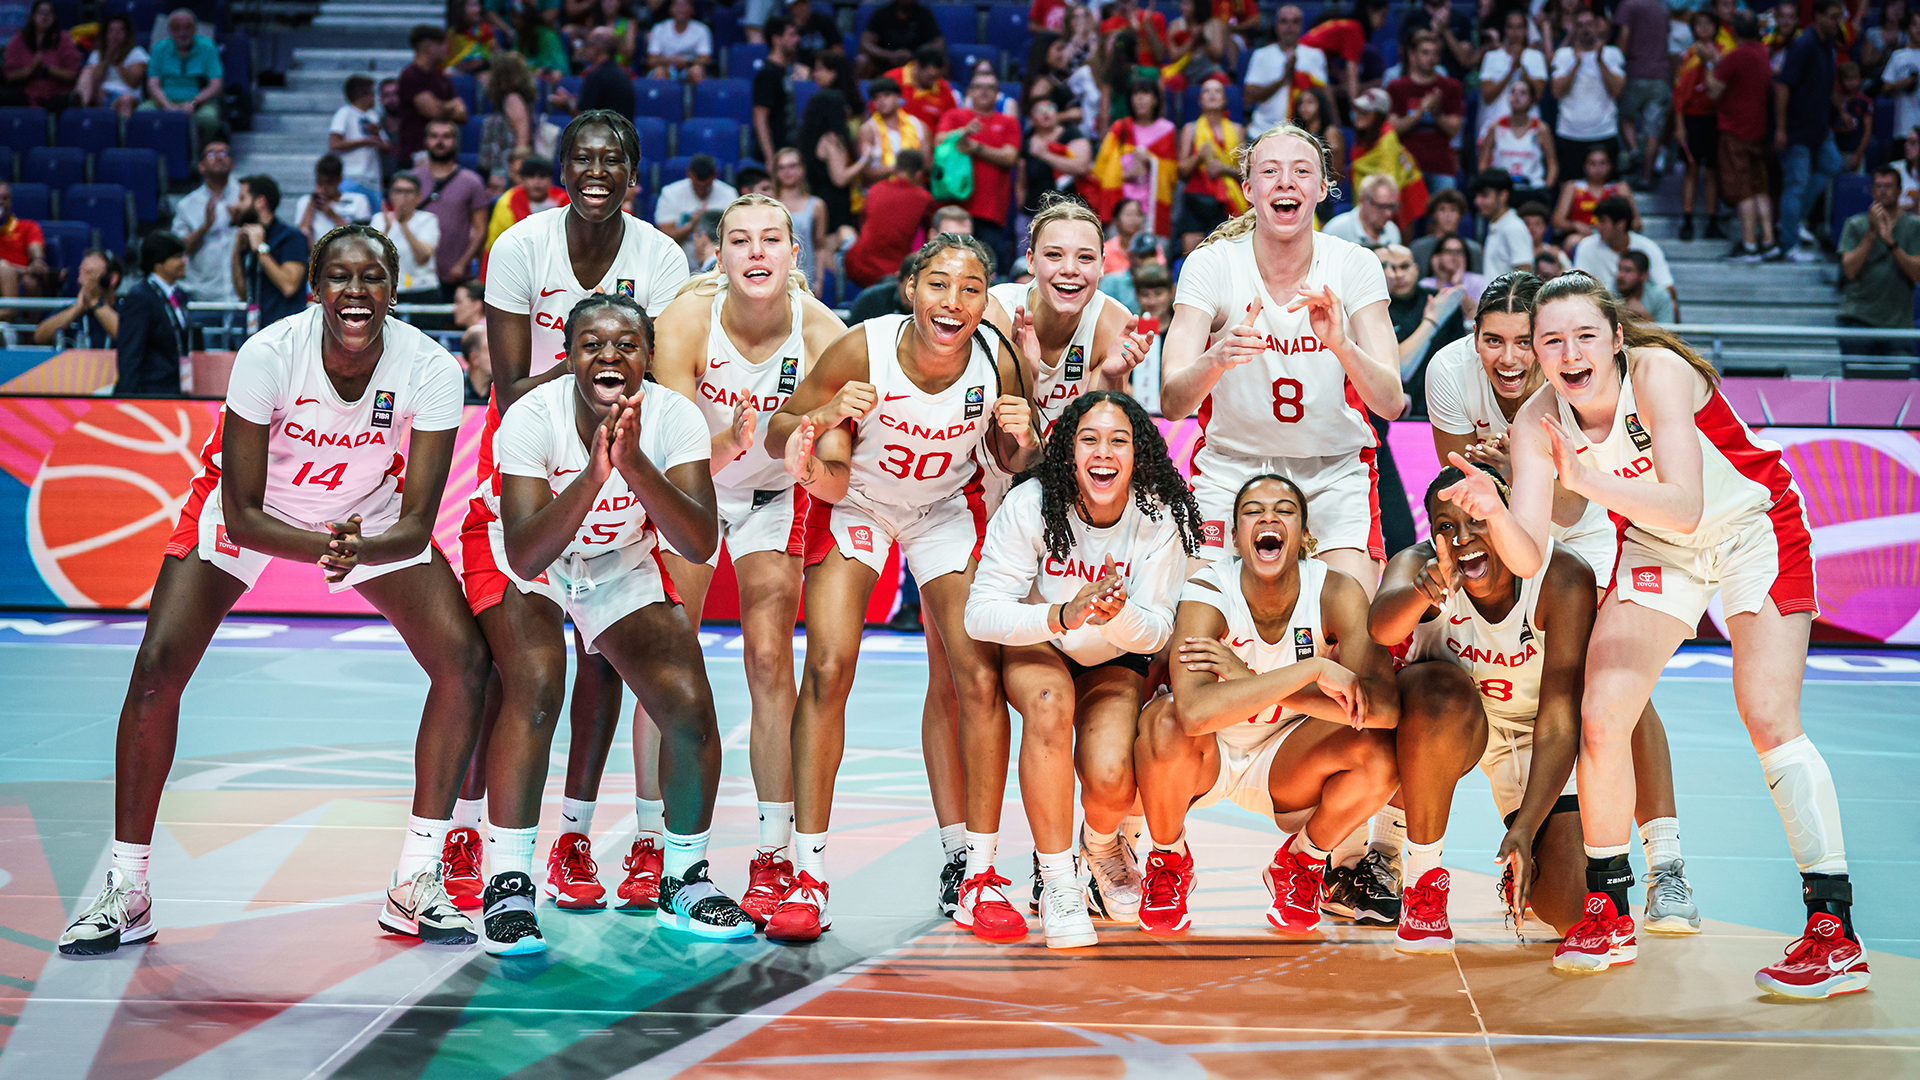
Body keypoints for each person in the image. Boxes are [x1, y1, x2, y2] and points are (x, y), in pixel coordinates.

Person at [59, 224, 489, 957]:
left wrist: (361, 546)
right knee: (157, 671)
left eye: (373, 277)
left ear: (394, 289)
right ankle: (127, 888)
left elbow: (417, 523)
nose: (357, 291)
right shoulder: (270, 353)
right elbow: (245, 512)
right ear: (316, 288)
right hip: (255, 507)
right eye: (340, 278)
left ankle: (414, 879)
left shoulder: (431, 367)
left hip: (371, 516)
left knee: (466, 664)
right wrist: (335, 549)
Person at [1442, 271, 1862, 997]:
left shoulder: (1660, 373)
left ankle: (1833, 929)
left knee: (1768, 717)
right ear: (1538, 354)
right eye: (1552, 341)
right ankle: (1609, 908)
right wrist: (1494, 511)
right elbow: (1531, 556)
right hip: (1658, 548)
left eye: (1583, 336)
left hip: (1751, 534)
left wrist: (1585, 477)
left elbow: (1689, 506)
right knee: (1602, 718)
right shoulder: (1538, 419)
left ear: (1614, 339)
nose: (1568, 352)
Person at [759, 233, 1042, 944]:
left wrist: (1022, 435)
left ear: (986, 300)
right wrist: (823, 416)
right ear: (911, 288)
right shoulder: (864, 347)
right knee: (828, 668)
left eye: (972, 288)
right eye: (940, 285)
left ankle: (976, 872)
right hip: (856, 503)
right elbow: (776, 432)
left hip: (944, 511)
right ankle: (809, 875)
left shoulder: (997, 358)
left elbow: (1015, 457)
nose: (954, 301)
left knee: (976, 677)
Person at [448, 110, 690, 918]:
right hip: (531, 446)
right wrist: (591, 384)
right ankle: (467, 832)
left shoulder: (660, 255)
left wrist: (612, 405)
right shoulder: (521, 246)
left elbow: (657, 375)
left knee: (608, 657)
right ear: (562, 169)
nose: (596, 170)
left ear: (633, 174)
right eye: (581, 158)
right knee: (515, 667)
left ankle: (575, 837)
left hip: (625, 454)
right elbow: (506, 383)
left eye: (611, 158)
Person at [1422, 273, 1699, 935]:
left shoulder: (1573, 381)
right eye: (1495, 341)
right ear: (1476, 341)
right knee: (1432, 656)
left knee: (1618, 677)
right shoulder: (1449, 374)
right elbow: (1450, 487)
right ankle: (1405, 849)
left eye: (1526, 341)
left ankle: (1666, 862)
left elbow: (1573, 503)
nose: (1511, 357)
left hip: (1585, 515)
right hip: (1498, 525)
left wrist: (1527, 472)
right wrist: (1511, 482)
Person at [474, 291, 749, 952]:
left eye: (626, 344)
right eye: (593, 343)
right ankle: (508, 881)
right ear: (569, 358)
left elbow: (697, 541)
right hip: (522, 555)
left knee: (687, 703)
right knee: (538, 685)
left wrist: (634, 467)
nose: (610, 354)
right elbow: (526, 549)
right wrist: (594, 476)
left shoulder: (675, 418)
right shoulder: (532, 417)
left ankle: (684, 881)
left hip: (618, 555)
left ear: (647, 359)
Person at [644, 192, 847, 928]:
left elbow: (832, 460)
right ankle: (649, 840)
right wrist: (728, 444)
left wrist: (804, 458)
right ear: (719, 256)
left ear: (797, 257)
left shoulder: (824, 333)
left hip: (771, 495)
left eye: (772, 240)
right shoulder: (687, 319)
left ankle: (773, 853)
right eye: (740, 240)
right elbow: (669, 442)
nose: (756, 252)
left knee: (770, 660)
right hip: (692, 485)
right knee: (664, 653)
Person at [965, 391, 1201, 947]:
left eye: (1118, 440)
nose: (1103, 452)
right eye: (1088, 439)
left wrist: (1116, 618)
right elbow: (980, 613)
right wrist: (1061, 614)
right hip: (1043, 643)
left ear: (1138, 454)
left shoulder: (1157, 516)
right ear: (1068, 451)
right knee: (1048, 707)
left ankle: (1098, 846)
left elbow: (1159, 630)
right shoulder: (1031, 503)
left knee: (1113, 781)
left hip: (1114, 656)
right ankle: (1057, 883)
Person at [1131, 473, 1400, 935]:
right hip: (1205, 754)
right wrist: (1312, 671)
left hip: (1286, 756)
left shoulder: (1335, 592)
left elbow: (1383, 710)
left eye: (1284, 510)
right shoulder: (1209, 590)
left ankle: (1303, 862)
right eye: (1253, 511)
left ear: (1304, 535)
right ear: (1236, 537)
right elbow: (1195, 714)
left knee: (1380, 752)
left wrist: (1250, 679)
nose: (1268, 517)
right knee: (1164, 722)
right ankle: (1168, 859)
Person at [1159, 124, 1405, 594]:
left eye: (1301, 171)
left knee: (1350, 624)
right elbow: (1172, 401)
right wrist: (1217, 357)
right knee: (1193, 620)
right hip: (1233, 466)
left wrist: (1342, 345)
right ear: (1249, 189)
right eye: (1270, 171)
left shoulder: (1354, 264)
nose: (1286, 182)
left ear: (1321, 188)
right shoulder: (1211, 264)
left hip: (1331, 470)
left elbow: (1391, 402)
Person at [1368, 462, 1593, 950]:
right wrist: (1419, 596)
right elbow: (1382, 629)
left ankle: (1533, 858)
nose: (1463, 538)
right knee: (1435, 692)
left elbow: (1558, 724)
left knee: (1568, 908)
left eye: (1478, 520)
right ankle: (1422, 881)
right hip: (1451, 725)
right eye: (1446, 527)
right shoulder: (1420, 565)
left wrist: (1527, 828)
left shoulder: (1562, 575)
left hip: (1535, 734)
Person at [987, 196, 1151, 439]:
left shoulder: (1113, 320)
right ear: (1031, 261)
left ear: (1102, 266)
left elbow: (1098, 435)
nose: (1070, 269)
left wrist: (1111, 375)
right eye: (1054, 255)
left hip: (1059, 466)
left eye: (1085, 258)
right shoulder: (994, 313)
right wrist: (1024, 375)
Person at [1772, 0, 1842, 263]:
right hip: (1796, 129)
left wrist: (1841, 111)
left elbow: (1828, 81)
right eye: (1833, 17)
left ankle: (1795, 217)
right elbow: (1782, 87)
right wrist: (1780, 129)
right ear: (1818, 16)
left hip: (1820, 127)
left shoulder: (1828, 43)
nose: (1837, 23)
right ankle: (1788, 245)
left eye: (1840, 17)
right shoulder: (1803, 45)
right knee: (1796, 185)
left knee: (1832, 164)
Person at [1709, 12, 1777, 261]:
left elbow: (1714, 92)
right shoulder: (1762, 53)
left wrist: (1709, 64)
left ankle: (1749, 245)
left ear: (1734, 32)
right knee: (1760, 186)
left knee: (1743, 189)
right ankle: (1768, 242)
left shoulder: (1735, 56)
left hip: (1735, 131)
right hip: (1759, 131)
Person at [936, 72, 1022, 266]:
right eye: (978, 86)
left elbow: (1010, 157)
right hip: (954, 206)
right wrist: (963, 132)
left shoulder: (1008, 122)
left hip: (990, 211)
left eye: (990, 87)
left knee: (985, 266)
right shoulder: (954, 116)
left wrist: (976, 147)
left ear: (998, 94)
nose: (984, 91)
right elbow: (939, 142)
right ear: (969, 92)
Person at [1837, 166, 1920, 357]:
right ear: (1872, 190)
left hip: (1898, 325)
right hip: (1857, 319)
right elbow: (1849, 271)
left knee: (1898, 385)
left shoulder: (1914, 226)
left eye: (1889, 186)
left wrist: (1891, 244)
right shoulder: (1855, 225)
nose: (1883, 190)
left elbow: (1917, 275)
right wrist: (1872, 234)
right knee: (1857, 384)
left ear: (1900, 191)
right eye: (1878, 186)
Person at [1087, 78, 1178, 238]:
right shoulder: (1119, 128)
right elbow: (1101, 171)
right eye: (1136, 94)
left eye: (1146, 94)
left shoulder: (1167, 130)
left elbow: (1171, 174)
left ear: (1156, 99)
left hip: (1151, 209)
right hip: (1120, 206)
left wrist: (1150, 162)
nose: (1140, 99)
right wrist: (1130, 173)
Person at [411, 119, 489, 298]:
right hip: (417, 274)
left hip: (456, 273)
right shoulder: (412, 180)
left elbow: (480, 230)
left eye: (446, 136)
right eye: (434, 136)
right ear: (425, 141)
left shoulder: (472, 182)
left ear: (455, 141)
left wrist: (463, 263)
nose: (440, 141)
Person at [1549, 10, 1626, 181]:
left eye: (1589, 25)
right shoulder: (1563, 55)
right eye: (1580, 25)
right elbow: (1556, 92)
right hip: (1570, 133)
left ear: (1597, 26)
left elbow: (1617, 91)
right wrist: (1575, 65)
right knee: (1570, 188)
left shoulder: (1612, 54)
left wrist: (1600, 61)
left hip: (1603, 132)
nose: (1585, 29)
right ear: (1574, 29)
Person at [1573, 196, 1678, 319]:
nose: (1597, 226)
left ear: (1620, 224)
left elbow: (1669, 289)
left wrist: (1642, 308)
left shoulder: (1648, 247)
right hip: (1600, 308)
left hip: (1641, 305)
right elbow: (1577, 288)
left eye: (1602, 221)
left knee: (1672, 305)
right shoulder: (1586, 246)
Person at [231, 175, 311, 330]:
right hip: (254, 331)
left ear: (260, 202)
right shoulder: (249, 238)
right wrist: (236, 250)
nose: (236, 205)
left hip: (285, 334)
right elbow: (243, 293)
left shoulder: (291, 237)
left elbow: (289, 286)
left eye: (242, 198)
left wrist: (261, 249)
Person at [112, 234, 188, 396]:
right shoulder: (141, 298)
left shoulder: (178, 295)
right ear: (158, 263)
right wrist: (126, 401)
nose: (184, 261)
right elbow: (130, 352)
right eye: (177, 257)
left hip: (173, 390)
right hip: (149, 393)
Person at [1388, 31, 1464, 190]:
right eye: (1425, 53)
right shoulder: (1396, 87)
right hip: (1407, 166)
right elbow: (1393, 129)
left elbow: (1454, 129)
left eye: (1435, 54)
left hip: (1441, 165)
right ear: (1412, 55)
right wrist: (1420, 111)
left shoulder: (1451, 87)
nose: (1431, 58)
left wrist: (1436, 113)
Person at [845, 149, 932, 289]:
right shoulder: (923, 198)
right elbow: (930, 235)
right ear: (919, 174)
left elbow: (863, 224)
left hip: (857, 266)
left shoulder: (874, 190)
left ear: (895, 169)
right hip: (892, 273)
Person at [1673, 9, 1725, 243]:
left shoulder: (1723, 54)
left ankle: (1713, 221)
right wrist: (1679, 125)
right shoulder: (1688, 55)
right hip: (1692, 119)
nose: (1703, 28)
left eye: (1708, 24)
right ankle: (1687, 220)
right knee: (1691, 170)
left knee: (1713, 172)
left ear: (1716, 27)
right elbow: (1678, 94)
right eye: (1698, 24)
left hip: (1716, 119)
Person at [1382, 242, 1458, 389]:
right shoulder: (1379, 309)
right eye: (1391, 268)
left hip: (1441, 392)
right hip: (1399, 396)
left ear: (1416, 269)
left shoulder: (1441, 301)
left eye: (1404, 266)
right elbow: (1398, 366)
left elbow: (1459, 357)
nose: (1398, 275)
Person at [1244, 6, 1330, 137]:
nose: (1289, 26)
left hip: (1304, 135)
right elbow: (1249, 97)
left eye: (1295, 21)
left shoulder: (1315, 55)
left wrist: (1334, 124)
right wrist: (1284, 78)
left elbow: (1324, 96)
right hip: (1264, 132)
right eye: (1284, 21)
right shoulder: (1261, 55)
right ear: (1276, 25)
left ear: (1302, 25)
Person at [1614, 0, 1673, 189]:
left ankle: (1633, 152)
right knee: (1653, 131)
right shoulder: (1662, 7)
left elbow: (1624, 35)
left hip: (1635, 72)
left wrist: (1617, 62)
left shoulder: (1628, 5)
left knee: (1624, 117)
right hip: (1660, 75)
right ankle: (1647, 176)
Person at [173, 142, 239, 306]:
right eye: (211, 154)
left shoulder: (245, 196)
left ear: (232, 163)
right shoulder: (187, 205)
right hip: (202, 295)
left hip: (240, 294)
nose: (218, 157)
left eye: (224, 153)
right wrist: (205, 227)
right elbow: (178, 250)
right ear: (201, 166)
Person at [143, 8, 223, 145]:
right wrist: (167, 105)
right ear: (170, 30)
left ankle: (199, 156)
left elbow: (216, 85)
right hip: (163, 101)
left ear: (195, 29)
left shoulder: (208, 47)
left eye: (187, 28)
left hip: (198, 103)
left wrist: (194, 102)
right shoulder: (159, 49)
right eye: (177, 28)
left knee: (209, 119)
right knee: (142, 114)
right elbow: (153, 84)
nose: (182, 33)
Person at [395, 26, 466, 168]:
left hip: (445, 156)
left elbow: (462, 115)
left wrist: (443, 107)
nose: (446, 49)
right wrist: (451, 105)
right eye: (441, 44)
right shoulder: (411, 76)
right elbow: (432, 111)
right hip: (416, 155)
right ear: (428, 46)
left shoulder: (442, 78)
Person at [482, 156, 567, 275]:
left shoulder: (565, 202)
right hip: (517, 269)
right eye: (531, 176)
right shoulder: (507, 202)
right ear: (522, 179)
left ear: (551, 179)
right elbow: (494, 244)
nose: (537, 182)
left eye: (542, 176)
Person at [656, 155, 739, 271]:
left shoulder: (729, 194)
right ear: (689, 174)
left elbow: (736, 236)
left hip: (718, 264)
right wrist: (691, 225)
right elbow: (665, 239)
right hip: (680, 264)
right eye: (697, 185)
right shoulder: (671, 193)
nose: (701, 189)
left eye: (705, 186)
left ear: (714, 175)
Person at [1475, 9, 1545, 143]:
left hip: (1528, 128)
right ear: (1505, 30)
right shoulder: (1491, 57)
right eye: (1511, 27)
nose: (1515, 32)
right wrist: (1511, 71)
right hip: (1495, 124)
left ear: (1526, 30)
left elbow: (1537, 95)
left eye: (1519, 27)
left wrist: (1521, 70)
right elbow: (1487, 96)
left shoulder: (1536, 57)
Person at [1553, 147, 1639, 253]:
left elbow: (1636, 222)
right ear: (1584, 166)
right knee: (1572, 241)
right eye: (1592, 163)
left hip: (1614, 237)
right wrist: (1575, 225)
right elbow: (1557, 221)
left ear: (1610, 166)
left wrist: (1614, 229)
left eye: (1602, 163)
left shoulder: (1621, 188)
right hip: (1582, 236)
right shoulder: (1573, 186)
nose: (1598, 168)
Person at [378, 172, 442, 307]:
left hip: (422, 290)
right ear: (391, 195)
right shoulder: (380, 220)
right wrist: (386, 230)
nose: (403, 197)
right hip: (389, 291)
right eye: (398, 191)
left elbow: (423, 258)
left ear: (418, 197)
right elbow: (372, 258)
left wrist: (403, 225)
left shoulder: (428, 220)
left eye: (408, 192)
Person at [1479, 80, 1555, 194]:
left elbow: (1552, 163)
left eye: (1523, 93)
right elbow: (1483, 161)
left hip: (1533, 189)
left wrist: (1545, 188)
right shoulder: (1495, 127)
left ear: (1532, 99)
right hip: (1502, 191)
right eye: (1513, 92)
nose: (1517, 96)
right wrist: (1488, 185)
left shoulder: (1541, 129)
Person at [3, 0, 82, 109]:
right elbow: (9, 76)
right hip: (26, 94)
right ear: (33, 16)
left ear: (54, 17)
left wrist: (47, 69)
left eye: (49, 13)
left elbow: (73, 74)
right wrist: (32, 69)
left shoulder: (64, 40)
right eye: (41, 13)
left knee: (67, 100)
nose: (44, 17)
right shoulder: (19, 40)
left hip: (55, 94)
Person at [770, 148, 829, 293]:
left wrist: (819, 280)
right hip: (773, 276)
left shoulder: (816, 205)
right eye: (781, 167)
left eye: (792, 166)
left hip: (805, 277)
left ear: (802, 169)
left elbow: (820, 247)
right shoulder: (768, 204)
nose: (787, 171)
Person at [37, 248, 119, 347]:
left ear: (112, 279)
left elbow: (125, 335)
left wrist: (95, 303)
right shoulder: (71, 310)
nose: (80, 281)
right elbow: (39, 337)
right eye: (81, 273)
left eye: (89, 273)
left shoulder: (126, 308)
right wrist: (76, 309)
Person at [859, 75, 930, 184]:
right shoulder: (868, 130)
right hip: (881, 191)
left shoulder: (919, 125)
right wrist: (898, 168)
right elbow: (865, 172)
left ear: (898, 97)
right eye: (876, 97)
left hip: (913, 189)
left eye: (886, 95)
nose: (881, 101)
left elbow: (927, 164)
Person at [477, 51, 539, 175]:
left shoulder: (513, 99)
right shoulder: (510, 99)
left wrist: (516, 167)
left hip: (506, 167)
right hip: (500, 164)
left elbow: (522, 137)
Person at [330, 75, 389, 203]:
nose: (375, 97)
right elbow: (334, 144)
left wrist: (376, 134)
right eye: (372, 93)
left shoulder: (373, 116)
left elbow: (386, 147)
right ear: (363, 95)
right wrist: (365, 141)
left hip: (373, 179)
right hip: (351, 175)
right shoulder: (345, 113)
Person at [752, 15, 800, 166]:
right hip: (775, 154)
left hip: (786, 150)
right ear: (776, 39)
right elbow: (760, 117)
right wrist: (770, 157)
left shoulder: (785, 70)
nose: (797, 39)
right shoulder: (768, 73)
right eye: (791, 35)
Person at [77, 13, 147, 117]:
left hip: (125, 96)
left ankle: (123, 132)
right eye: (111, 31)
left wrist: (118, 62)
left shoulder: (137, 53)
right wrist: (107, 60)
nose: (115, 35)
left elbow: (133, 82)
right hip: (101, 95)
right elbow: (94, 79)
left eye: (120, 31)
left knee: (125, 101)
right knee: (88, 71)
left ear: (127, 33)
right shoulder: (97, 54)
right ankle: (79, 107)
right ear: (105, 34)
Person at [295, 155, 374, 242]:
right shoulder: (305, 201)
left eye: (329, 183)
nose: (324, 187)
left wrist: (332, 215)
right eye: (320, 182)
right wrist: (311, 206)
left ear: (339, 179)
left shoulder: (358, 201)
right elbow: (301, 237)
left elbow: (361, 239)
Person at [859, 0, 944, 79]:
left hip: (918, 64)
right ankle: (860, 93)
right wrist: (891, 55)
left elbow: (938, 44)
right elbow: (865, 44)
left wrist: (916, 56)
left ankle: (943, 93)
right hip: (884, 61)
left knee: (942, 64)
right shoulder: (881, 13)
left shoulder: (925, 14)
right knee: (863, 61)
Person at [1408, 189, 1481, 276]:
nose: (1448, 215)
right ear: (1434, 214)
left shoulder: (1473, 249)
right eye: (1442, 210)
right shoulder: (1419, 248)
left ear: (1461, 215)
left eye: (1453, 210)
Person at [1475, 170, 1534, 275]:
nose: (1477, 201)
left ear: (1503, 195)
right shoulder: (1495, 225)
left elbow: (1524, 274)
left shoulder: (1513, 227)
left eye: (1485, 195)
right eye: (1477, 196)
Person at [0, 182, 47, 310]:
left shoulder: (28, 226)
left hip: (17, 277)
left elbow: (36, 249)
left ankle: (27, 327)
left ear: (11, 201)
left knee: (29, 282)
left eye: (5, 198)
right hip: (14, 271)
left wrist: (38, 260)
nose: (1, 202)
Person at [1323, 173, 1402, 248]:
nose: (1388, 213)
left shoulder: (1392, 231)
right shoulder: (1336, 231)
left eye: (1392, 207)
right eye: (1381, 206)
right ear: (1362, 200)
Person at [647, 0, 712, 81]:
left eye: (684, 5)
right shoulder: (658, 29)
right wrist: (670, 60)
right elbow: (652, 60)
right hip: (666, 67)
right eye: (677, 5)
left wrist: (687, 62)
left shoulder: (702, 29)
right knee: (659, 72)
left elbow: (705, 58)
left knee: (697, 71)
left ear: (691, 9)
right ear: (671, 9)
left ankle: (698, 94)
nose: (680, 9)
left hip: (690, 67)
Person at [1614, 250, 1674, 323]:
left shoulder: (1659, 295)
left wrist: (1645, 317)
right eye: (1620, 269)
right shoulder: (1609, 292)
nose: (1621, 275)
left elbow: (1668, 331)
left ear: (1643, 275)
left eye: (1628, 270)